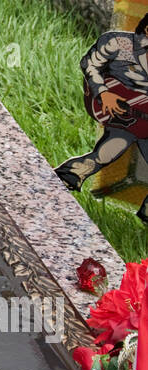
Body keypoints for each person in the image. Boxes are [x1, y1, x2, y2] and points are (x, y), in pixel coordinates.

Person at [56, 12, 148, 222]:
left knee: (112, 148)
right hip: (115, 108)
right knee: (110, 150)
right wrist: (103, 92)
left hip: (143, 117)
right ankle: (66, 177)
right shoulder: (118, 43)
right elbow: (90, 63)